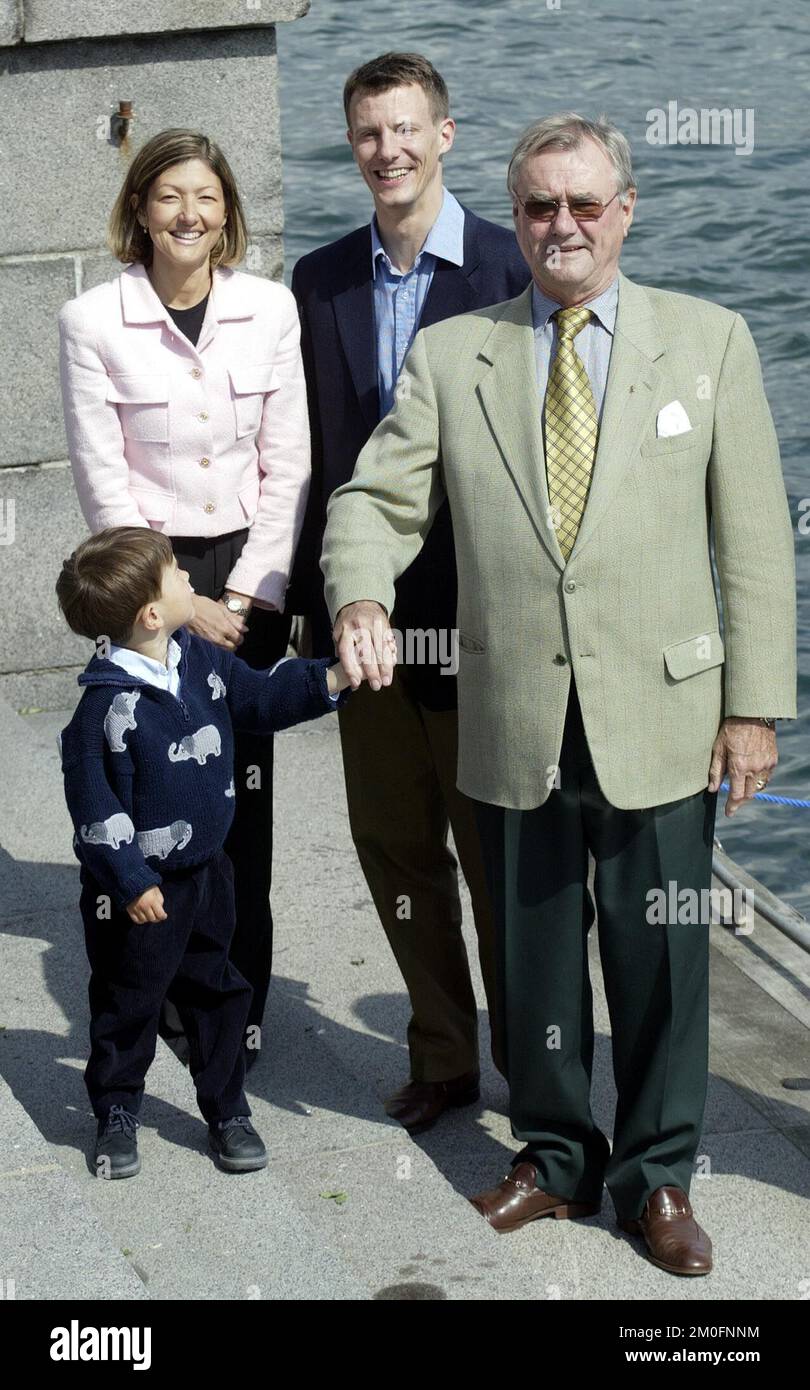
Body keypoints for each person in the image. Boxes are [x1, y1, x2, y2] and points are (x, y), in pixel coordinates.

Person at [320, 112, 797, 1275]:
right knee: (534, 962)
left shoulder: (712, 340)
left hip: (667, 717)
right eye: (540, 207)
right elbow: (372, 503)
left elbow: (756, 545)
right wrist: (361, 600)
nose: (563, 226)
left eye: (586, 204)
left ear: (626, 210)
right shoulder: (454, 353)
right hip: (515, 716)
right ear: (516, 217)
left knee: (662, 961)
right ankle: (553, 1154)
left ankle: (659, 1177)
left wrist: (752, 709)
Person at [288, 53, 530, 1133]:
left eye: (405, 129)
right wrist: (315, 606)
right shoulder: (321, 279)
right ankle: (443, 1055)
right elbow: (312, 457)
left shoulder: (508, 266)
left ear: (445, 134)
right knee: (394, 849)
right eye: (367, 134)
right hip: (367, 621)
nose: (387, 151)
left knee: (502, 860)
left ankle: (540, 1070)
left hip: (485, 625)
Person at [58, 129, 310, 1067]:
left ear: (228, 210)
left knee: (242, 797)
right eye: (169, 196)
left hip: (251, 576)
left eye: (205, 195)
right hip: (151, 584)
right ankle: (151, 988)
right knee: (154, 783)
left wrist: (244, 593)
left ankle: (237, 1007)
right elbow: (103, 481)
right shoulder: (92, 322)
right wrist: (177, 599)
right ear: (139, 209)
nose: (189, 214)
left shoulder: (270, 311)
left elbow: (289, 464)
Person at [55, 526, 351, 1177]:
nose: (192, 579)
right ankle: (116, 1110)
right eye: (176, 575)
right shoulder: (103, 710)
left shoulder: (202, 663)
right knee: (127, 1001)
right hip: (136, 894)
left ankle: (227, 1108)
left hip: (208, 876)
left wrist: (328, 679)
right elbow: (96, 813)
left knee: (219, 991)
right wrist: (129, 882)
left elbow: (261, 698)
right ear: (152, 613)